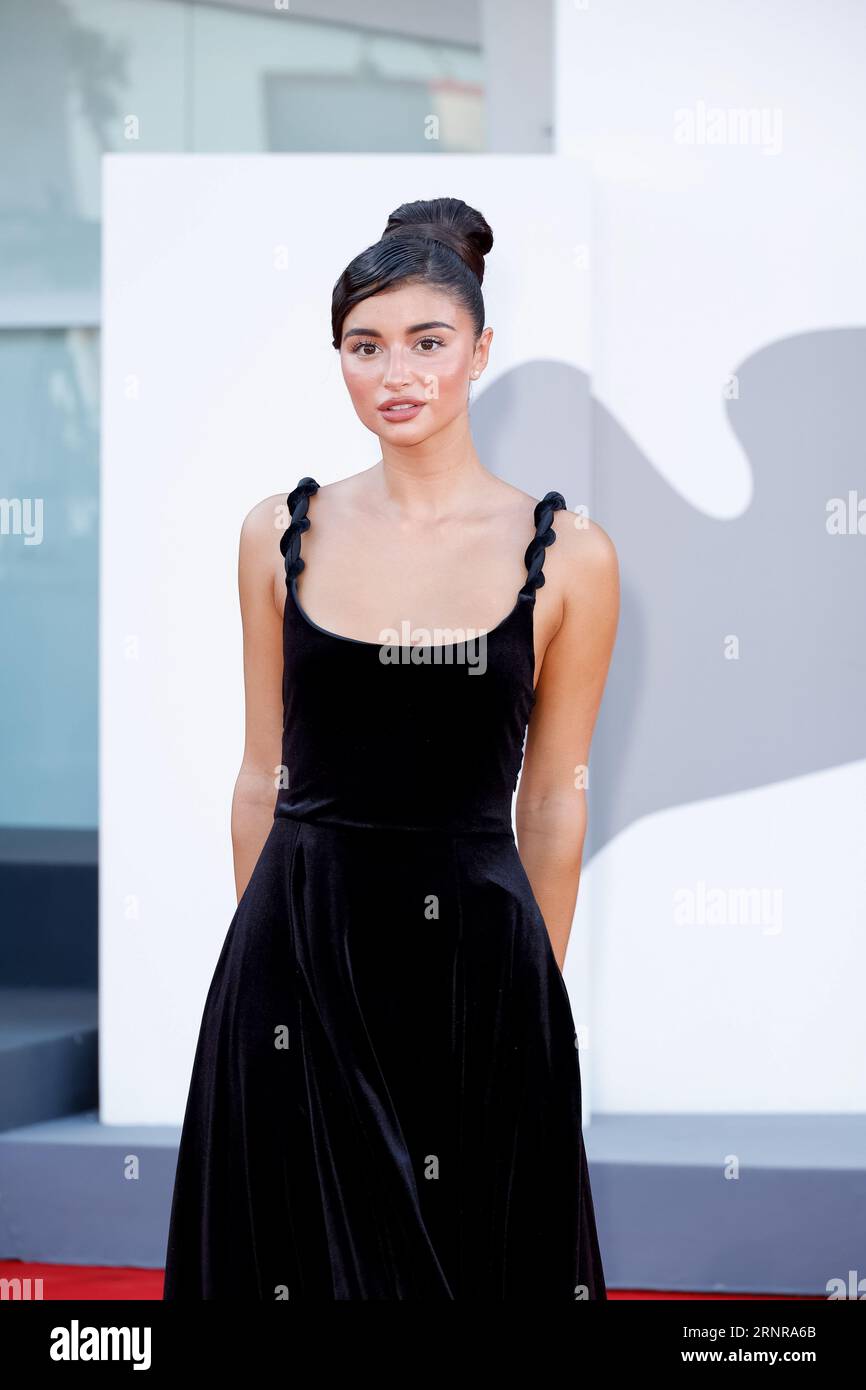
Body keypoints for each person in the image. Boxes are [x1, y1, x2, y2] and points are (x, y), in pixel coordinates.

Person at [163, 196, 619, 1300]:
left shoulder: (570, 557)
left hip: (476, 971)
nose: (396, 372)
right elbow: (258, 771)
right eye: (364, 347)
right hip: (295, 953)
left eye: (427, 342)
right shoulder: (276, 532)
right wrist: (261, 971)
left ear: (478, 352)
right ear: (338, 361)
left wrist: (528, 995)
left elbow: (554, 803)